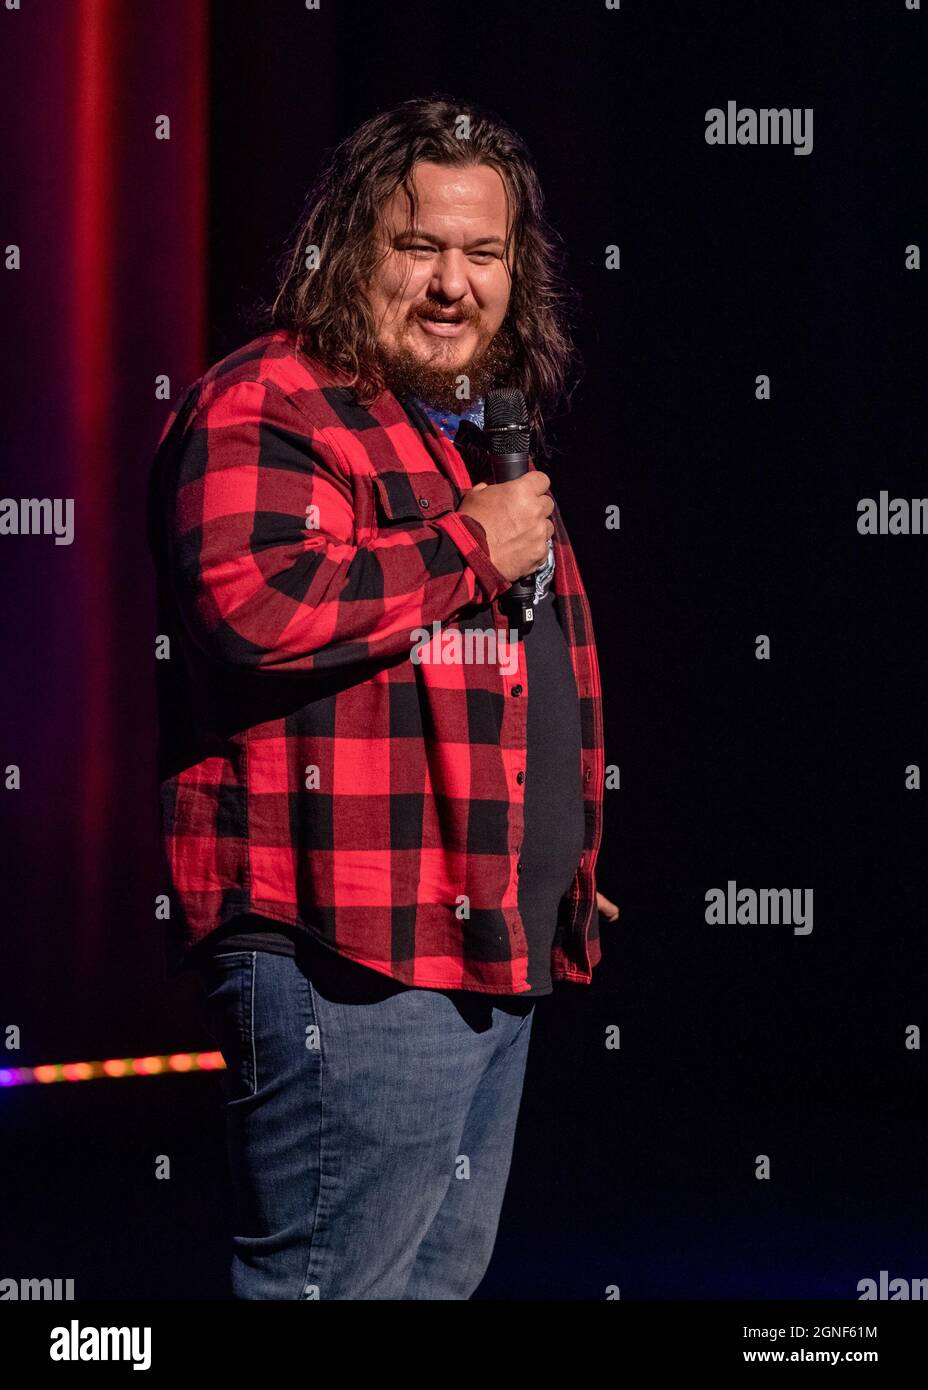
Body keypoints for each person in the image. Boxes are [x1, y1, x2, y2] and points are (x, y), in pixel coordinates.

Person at [147, 93, 619, 1300]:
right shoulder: (276, 399)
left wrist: (545, 852)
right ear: (348, 248)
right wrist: (468, 543)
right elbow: (254, 608)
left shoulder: (464, 441)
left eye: (483, 251)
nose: (453, 282)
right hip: (347, 953)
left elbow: (497, 683)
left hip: (479, 937)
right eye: (419, 247)